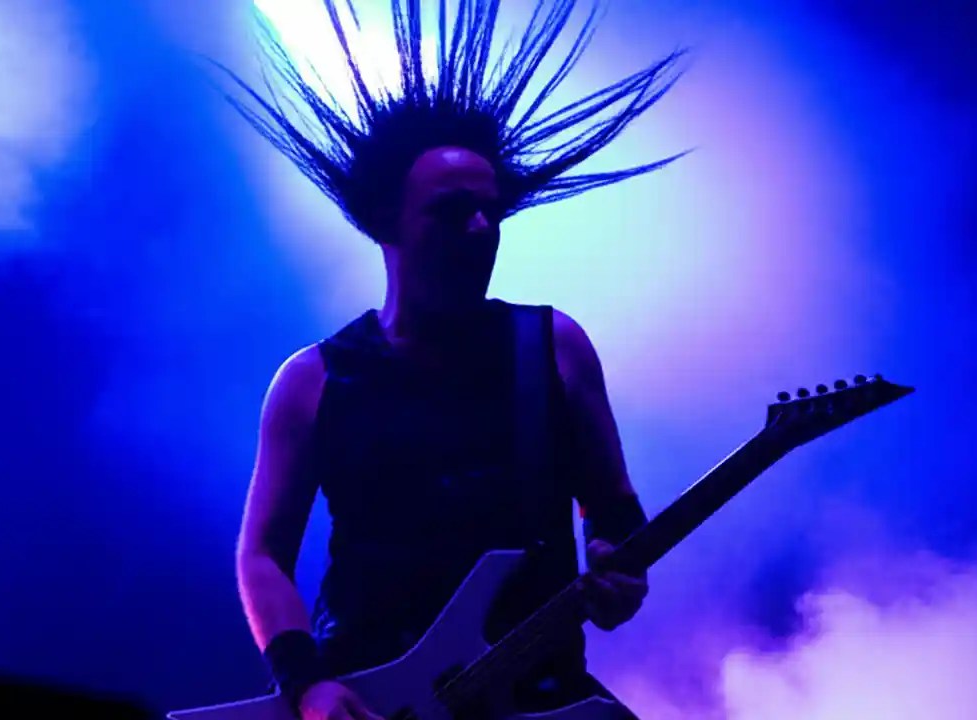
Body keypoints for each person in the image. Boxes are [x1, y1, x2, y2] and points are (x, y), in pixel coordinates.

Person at [218, 1, 687, 718]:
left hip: (538, 692)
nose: (479, 229)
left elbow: (616, 513)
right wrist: (306, 684)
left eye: (490, 211)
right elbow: (261, 557)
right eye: (450, 211)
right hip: (373, 700)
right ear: (387, 225)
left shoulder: (553, 347)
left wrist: (620, 567)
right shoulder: (312, 381)